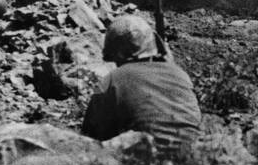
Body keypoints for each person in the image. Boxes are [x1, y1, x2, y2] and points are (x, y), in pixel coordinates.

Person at [82, 15, 200, 148]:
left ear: (116, 53)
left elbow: (90, 134)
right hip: (193, 158)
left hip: (146, 161)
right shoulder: (180, 74)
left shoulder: (110, 80)